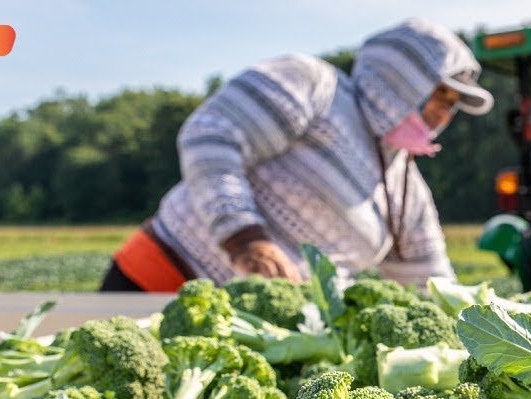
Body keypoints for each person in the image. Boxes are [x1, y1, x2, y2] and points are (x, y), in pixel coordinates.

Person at [100, 18, 493, 292]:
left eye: (455, 103)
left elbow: (431, 284)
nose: (446, 112)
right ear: (402, 78)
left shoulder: (405, 189)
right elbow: (211, 137)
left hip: (256, 333)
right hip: (162, 279)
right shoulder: (316, 87)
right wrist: (244, 239)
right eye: (441, 94)